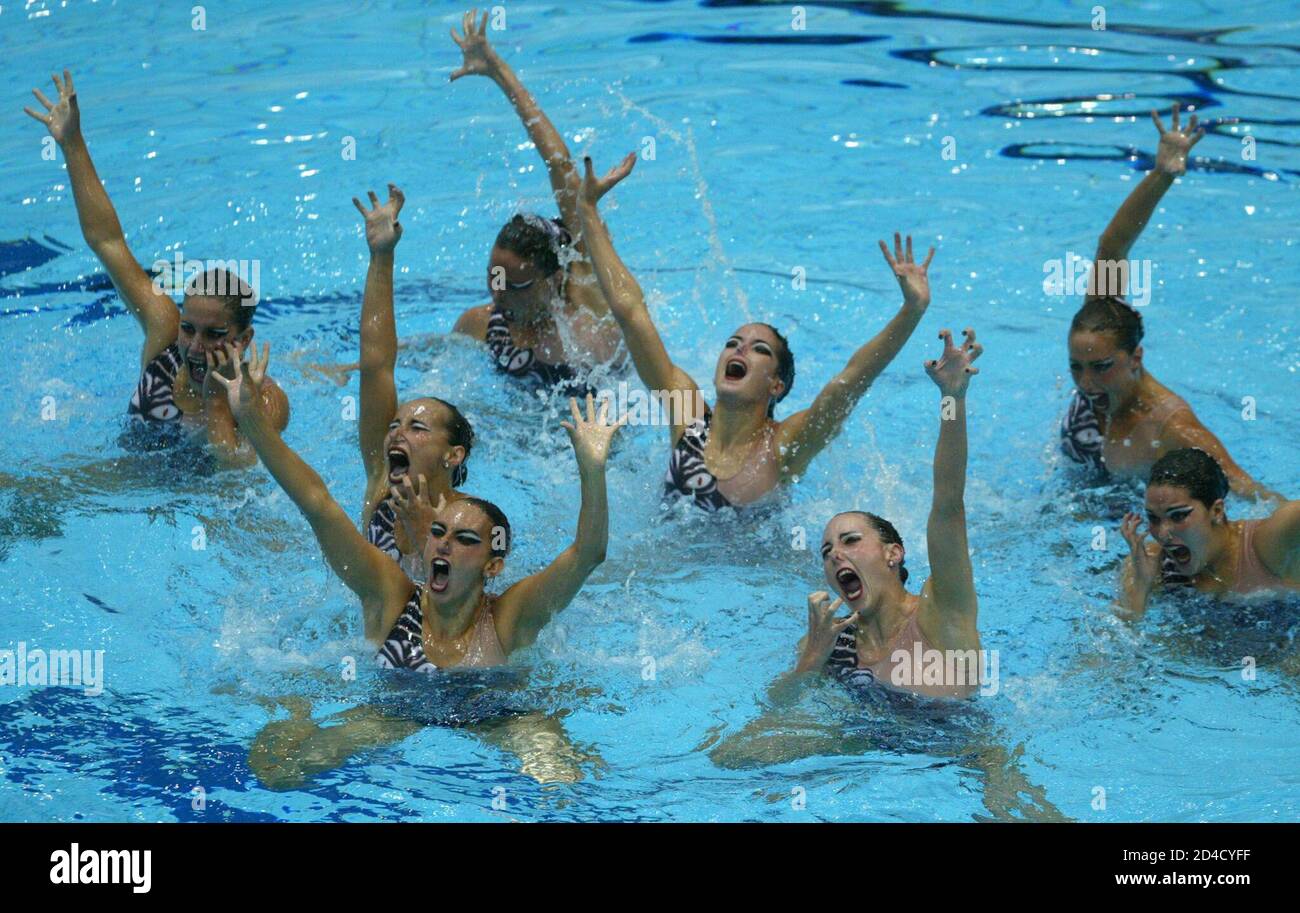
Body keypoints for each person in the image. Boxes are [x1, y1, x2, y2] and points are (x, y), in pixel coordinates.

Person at [577, 153, 935, 512]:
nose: (739, 350)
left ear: (776, 385)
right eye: (733, 343)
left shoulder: (783, 446)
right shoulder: (686, 413)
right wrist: (588, 209)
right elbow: (630, 312)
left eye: (758, 349)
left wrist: (911, 311)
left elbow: (849, 383)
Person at [23, 70, 289, 467]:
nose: (195, 346)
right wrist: (73, 144)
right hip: (129, 483)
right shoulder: (165, 337)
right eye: (189, 328)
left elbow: (234, 477)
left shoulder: (264, 399)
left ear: (244, 338)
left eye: (215, 334)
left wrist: (218, 404)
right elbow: (108, 243)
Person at [1060, 104, 1277, 500]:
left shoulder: (1172, 425)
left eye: (1102, 367)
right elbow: (1112, 246)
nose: (1086, 382)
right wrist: (1160, 175)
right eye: (1077, 367)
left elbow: (1249, 491)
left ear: (1135, 357)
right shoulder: (1101, 323)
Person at [770, 329, 984, 699]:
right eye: (826, 552)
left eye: (851, 540)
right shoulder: (829, 640)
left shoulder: (941, 612)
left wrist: (953, 398)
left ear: (893, 553)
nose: (835, 554)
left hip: (955, 750)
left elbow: (948, 505)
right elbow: (778, 710)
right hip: (862, 749)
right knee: (735, 758)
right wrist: (811, 659)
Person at [351, 184, 476, 576]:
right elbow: (376, 365)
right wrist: (381, 255)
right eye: (394, 425)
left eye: (417, 427)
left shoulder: (471, 521)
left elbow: (468, 610)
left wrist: (426, 534)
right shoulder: (381, 486)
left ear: (453, 455)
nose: (396, 434)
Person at [1118, 447, 1299, 620]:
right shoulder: (1149, 563)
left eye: (1178, 516)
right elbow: (1123, 640)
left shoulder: (1267, 544)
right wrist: (1141, 588)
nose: (1163, 534)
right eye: (1154, 518)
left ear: (1217, 511)